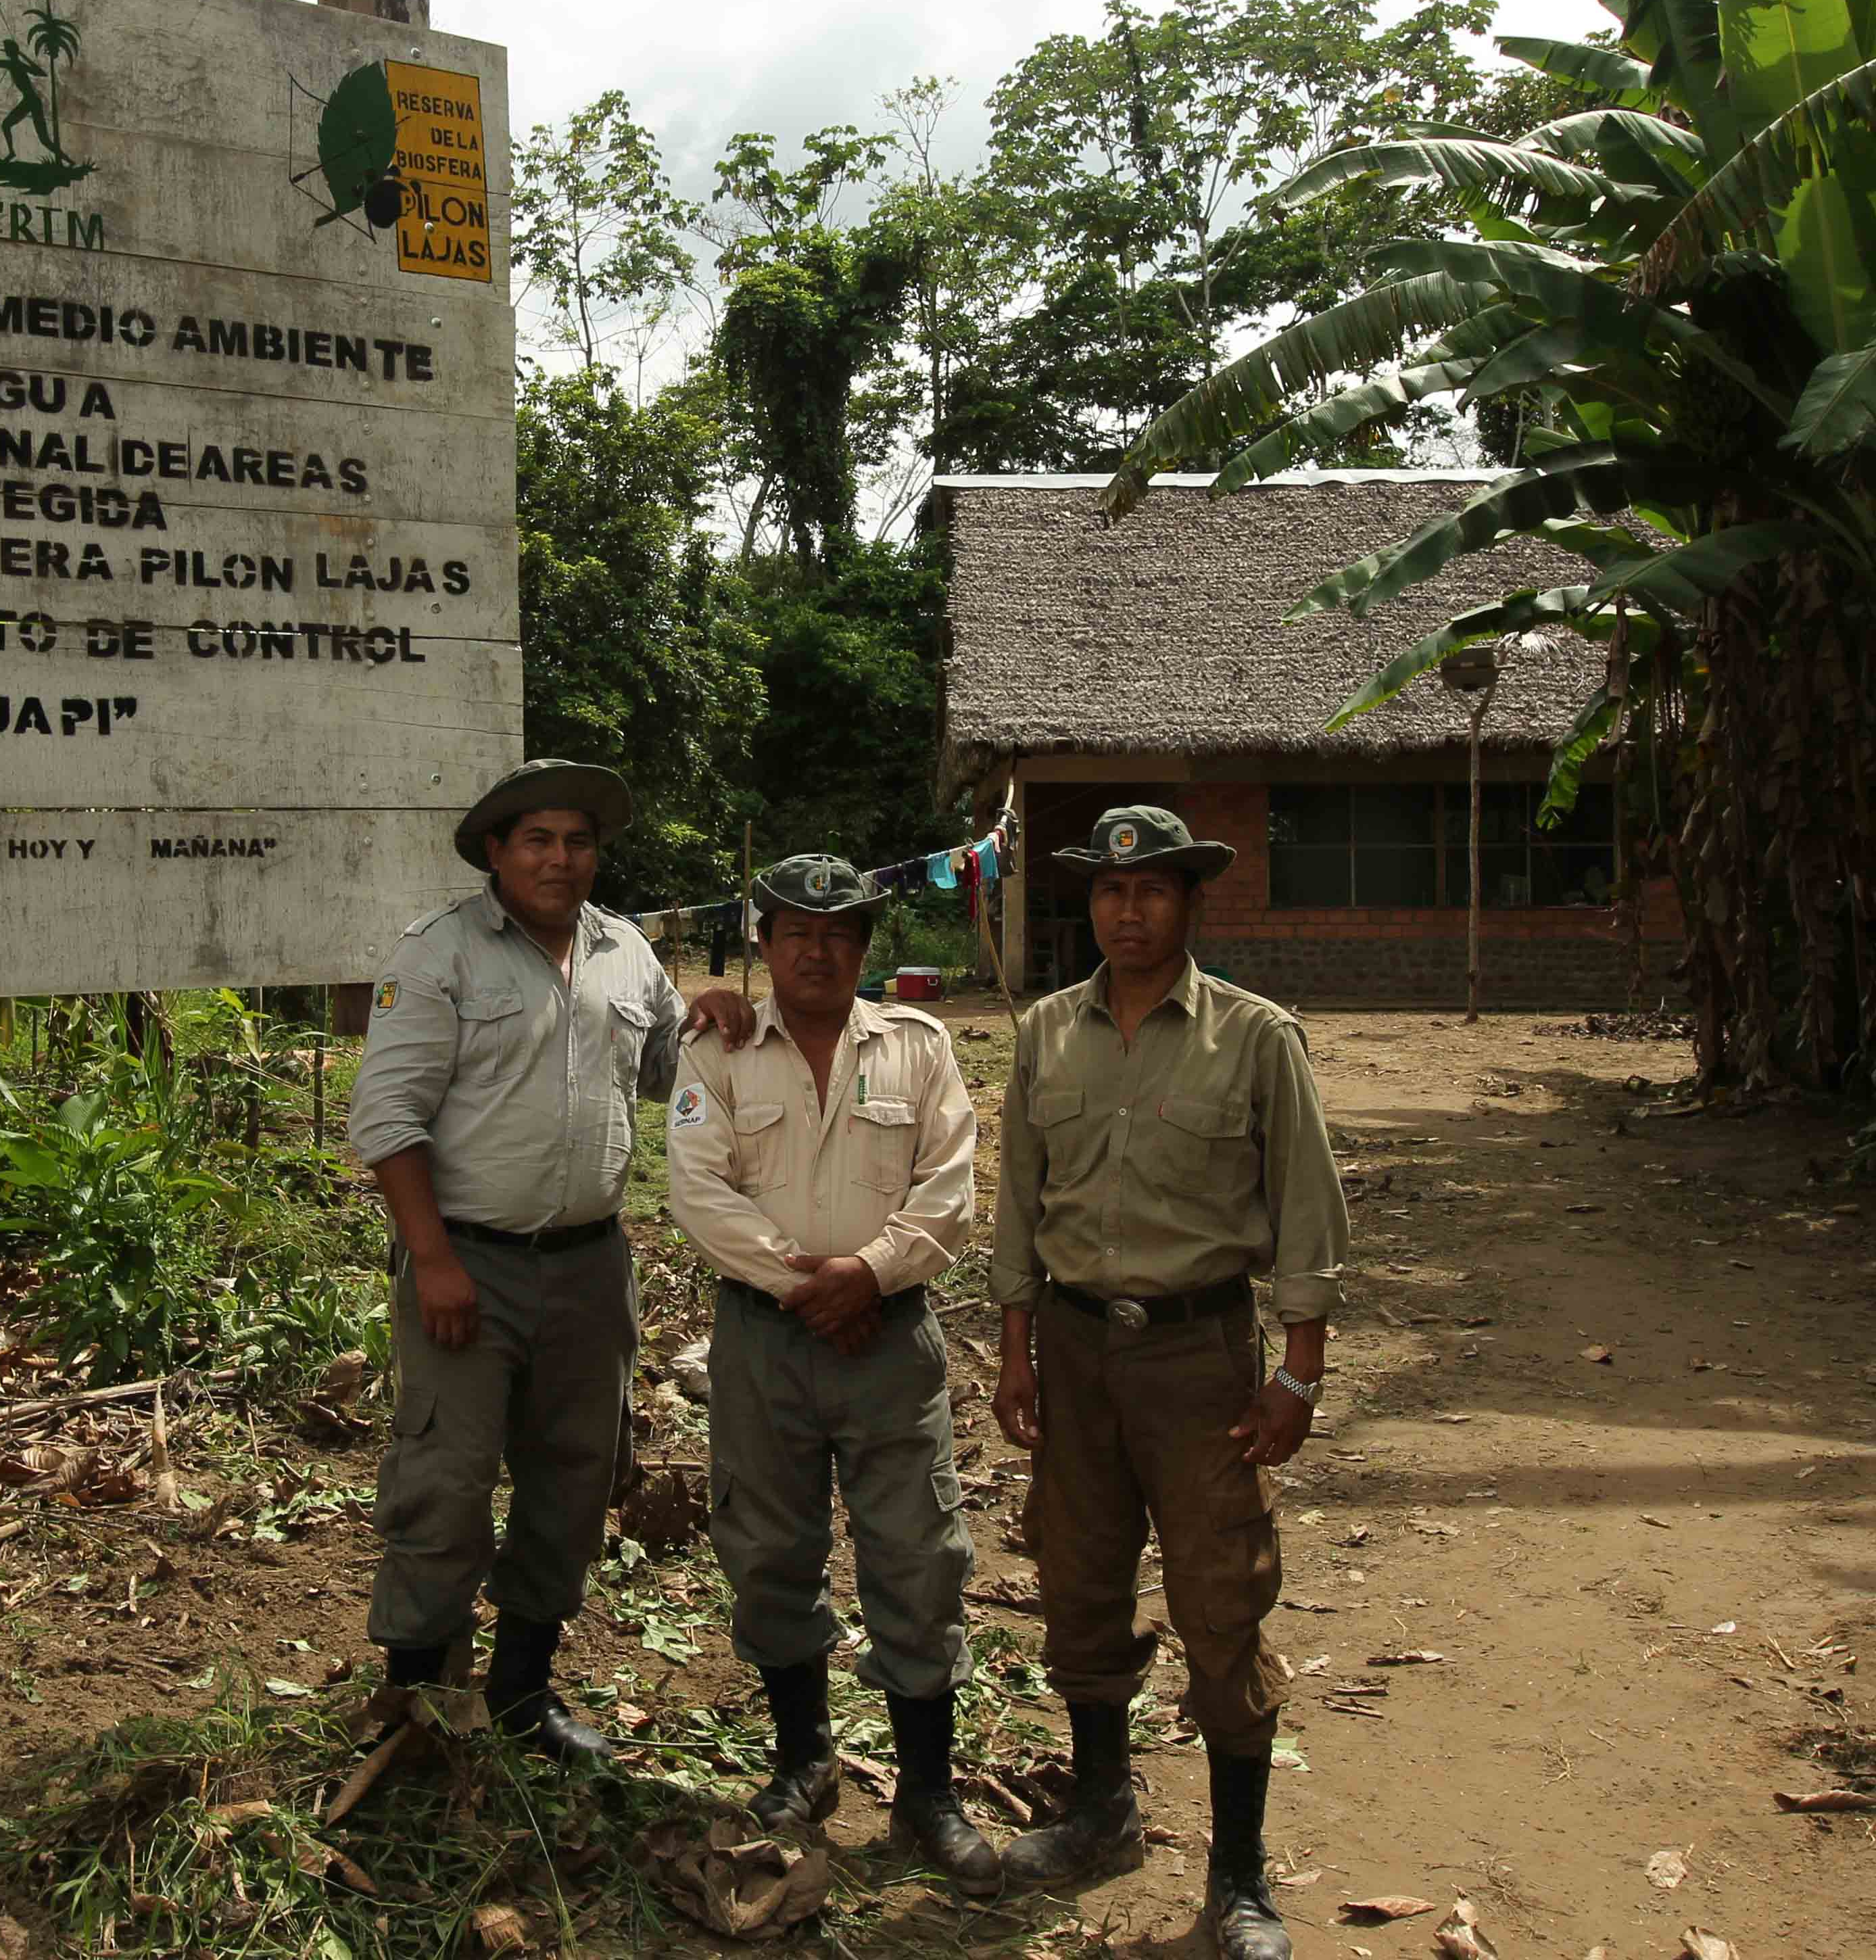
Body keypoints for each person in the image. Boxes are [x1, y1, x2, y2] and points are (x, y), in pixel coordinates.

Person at [989, 806, 1347, 1955]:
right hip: (1076, 1352)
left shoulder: (1255, 1036)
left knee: (1220, 1597)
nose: (1128, 910)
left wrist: (1299, 1373)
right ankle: (1101, 1815)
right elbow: (1020, 1201)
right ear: (1090, 903)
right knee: (1080, 1583)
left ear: (1190, 903)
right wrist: (1014, 1350)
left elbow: (1307, 1207)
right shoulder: (1048, 1033)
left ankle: (1239, 1878)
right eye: (1110, 891)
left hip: (1200, 1357)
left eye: (1152, 891)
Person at [346, 759, 755, 1760]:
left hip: (590, 1268)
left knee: (573, 1480)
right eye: (537, 840)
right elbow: (387, 1119)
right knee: (445, 1481)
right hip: (467, 1265)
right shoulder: (440, 953)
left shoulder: (626, 953)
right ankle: (417, 1700)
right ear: (496, 851)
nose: (560, 860)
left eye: (577, 842)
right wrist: (433, 1260)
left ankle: (524, 1692)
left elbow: (662, 1074)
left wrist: (710, 1020)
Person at [663, 853, 1004, 1896]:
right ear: (763, 943)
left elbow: (950, 1186)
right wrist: (809, 1284)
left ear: (864, 946)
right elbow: (697, 1190)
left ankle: (927, 1793)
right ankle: (804, 1761)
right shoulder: (718, 1048)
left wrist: (871, 1274)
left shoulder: (919, 1046)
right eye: (797, 932)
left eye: (840, 933)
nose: (818, 950)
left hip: (889, 1340)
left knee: (919, 1553)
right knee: (770, 1547)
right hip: (765, 1338)